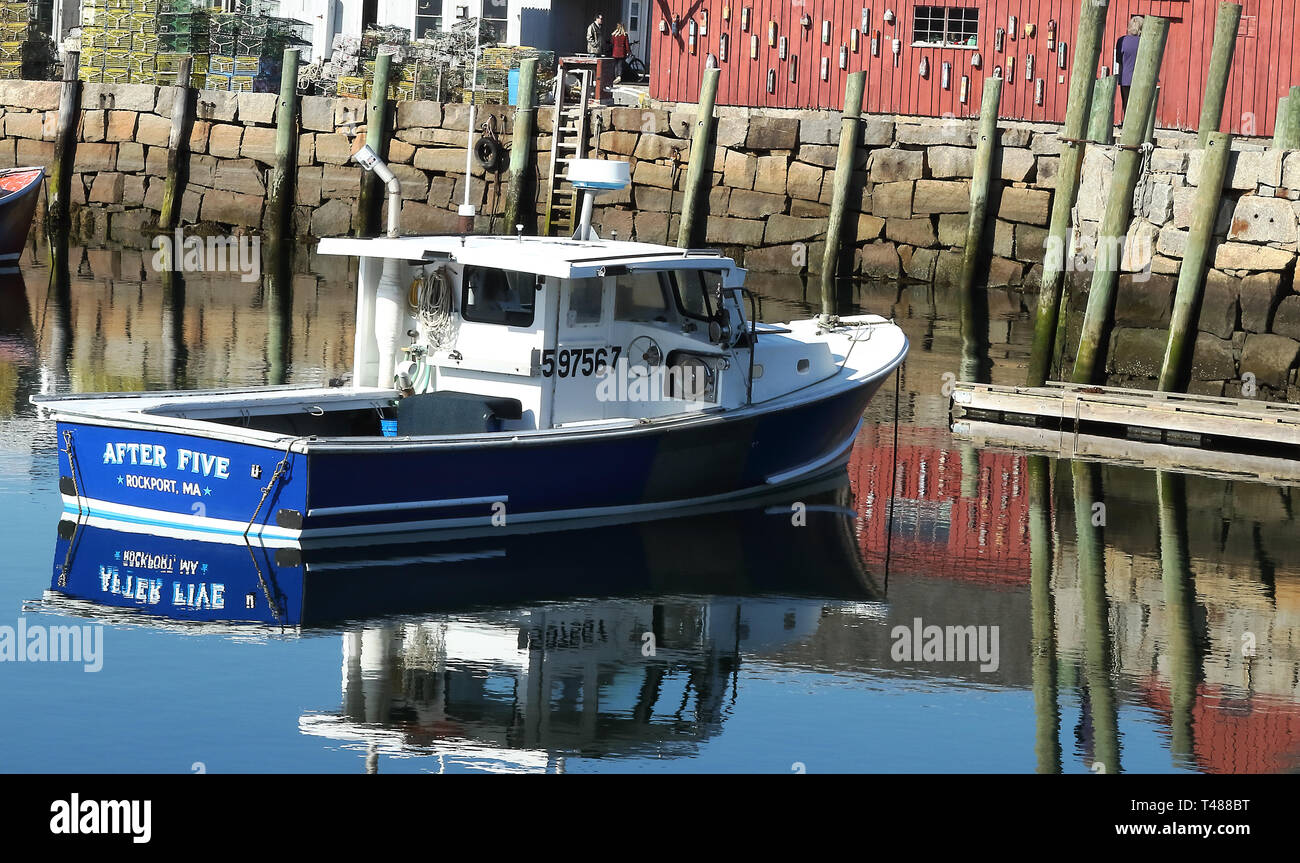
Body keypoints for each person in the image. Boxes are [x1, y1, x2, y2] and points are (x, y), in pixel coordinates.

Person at [1114, 16, 1143, 117]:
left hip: (1125, 78)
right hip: (1141, 78)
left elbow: (1118, 60)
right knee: (1140, 107)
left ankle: (1126, 128)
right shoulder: (1143, 41)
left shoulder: (1122, 40)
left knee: (1126, 105)